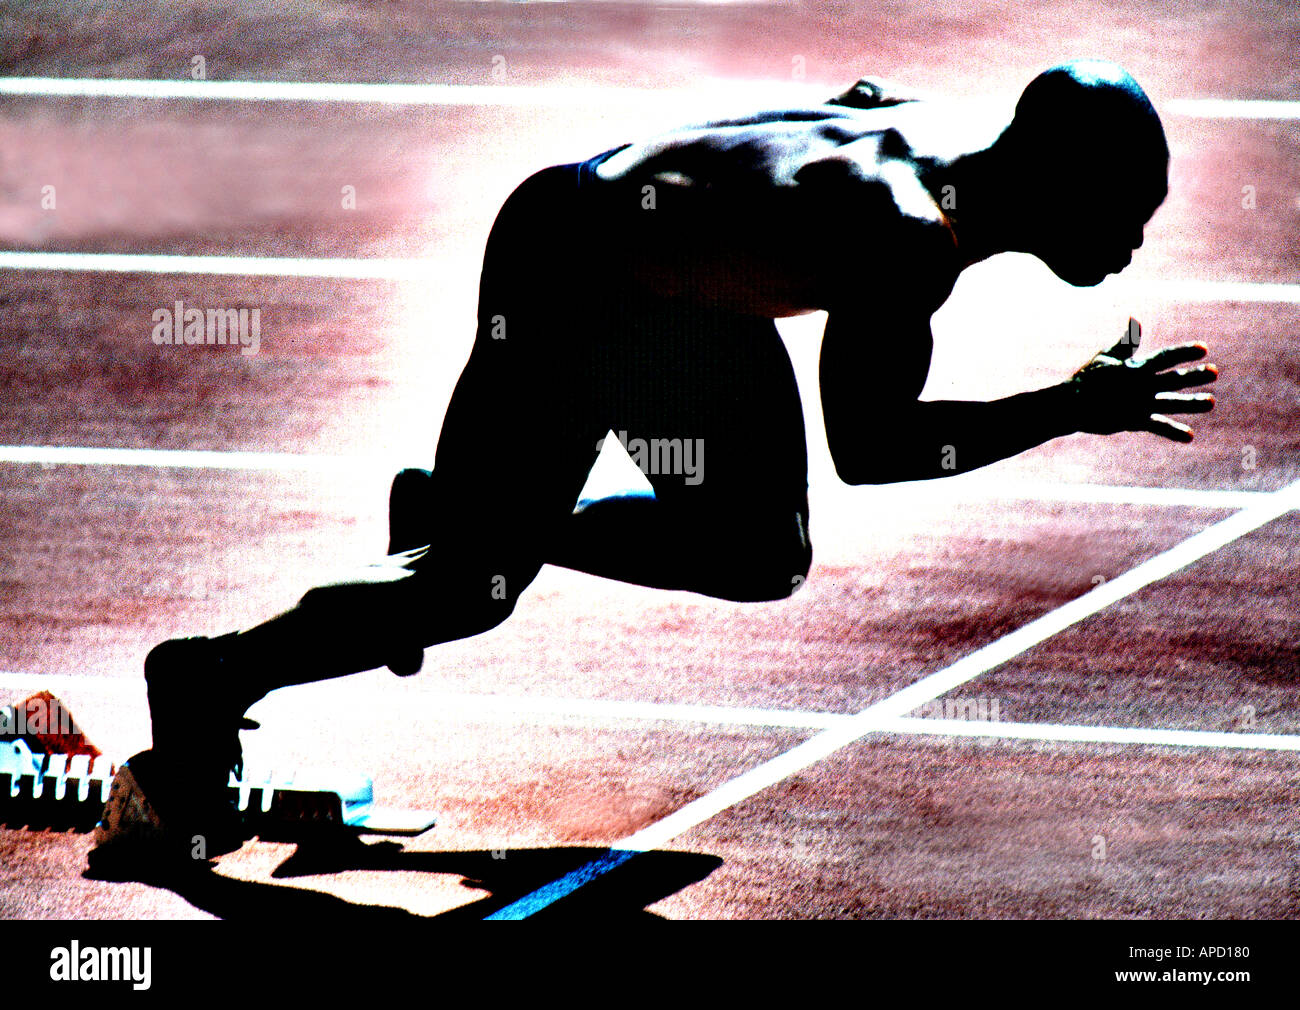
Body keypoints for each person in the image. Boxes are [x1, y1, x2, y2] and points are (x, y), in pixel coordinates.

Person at [119, 60, 1218, 858]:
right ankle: (210, 673)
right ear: (1062, 186)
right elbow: (874, 448)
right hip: (586, 283)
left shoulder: (941, 136)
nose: (1135, 241)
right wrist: (1070, 407)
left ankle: (474, 511)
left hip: (630, 255)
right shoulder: (906, 238)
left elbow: (852, 101)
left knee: (755, 549)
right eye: (1127, 212)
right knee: (469, 586)